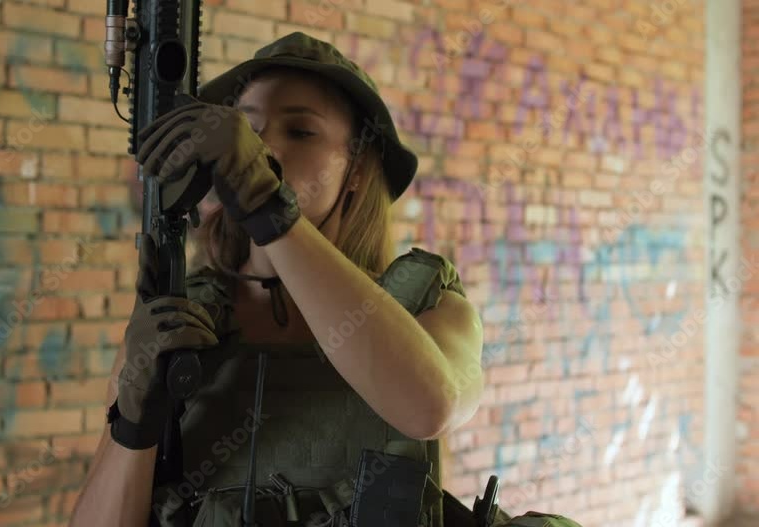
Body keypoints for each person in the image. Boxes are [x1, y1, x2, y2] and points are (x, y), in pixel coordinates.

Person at [69, 32, 487, 527]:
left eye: (301, 132)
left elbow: (428, 407)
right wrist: (133, 423)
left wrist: (268, 205)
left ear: (355, 168)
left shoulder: (425, 305)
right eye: (247, 131)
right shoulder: (183, 324)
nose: (264, 149)